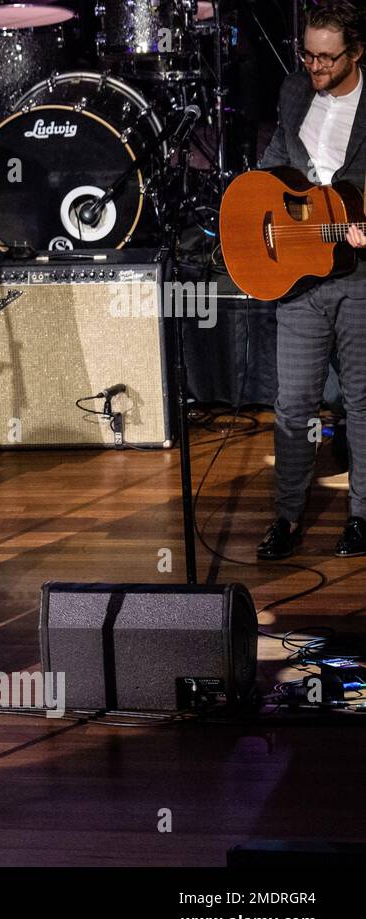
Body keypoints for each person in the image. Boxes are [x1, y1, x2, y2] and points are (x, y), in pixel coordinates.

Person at [256, 0, 366, 559]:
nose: (315, 68)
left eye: (327, 58)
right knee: (294, 403)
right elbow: (280, 156)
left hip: (357, 276)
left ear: (356, 52)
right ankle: (287, 516)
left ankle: (363, 517)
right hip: (298, 271)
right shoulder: (296, 90)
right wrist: (261, 202)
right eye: (308, 54)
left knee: (362, 401)